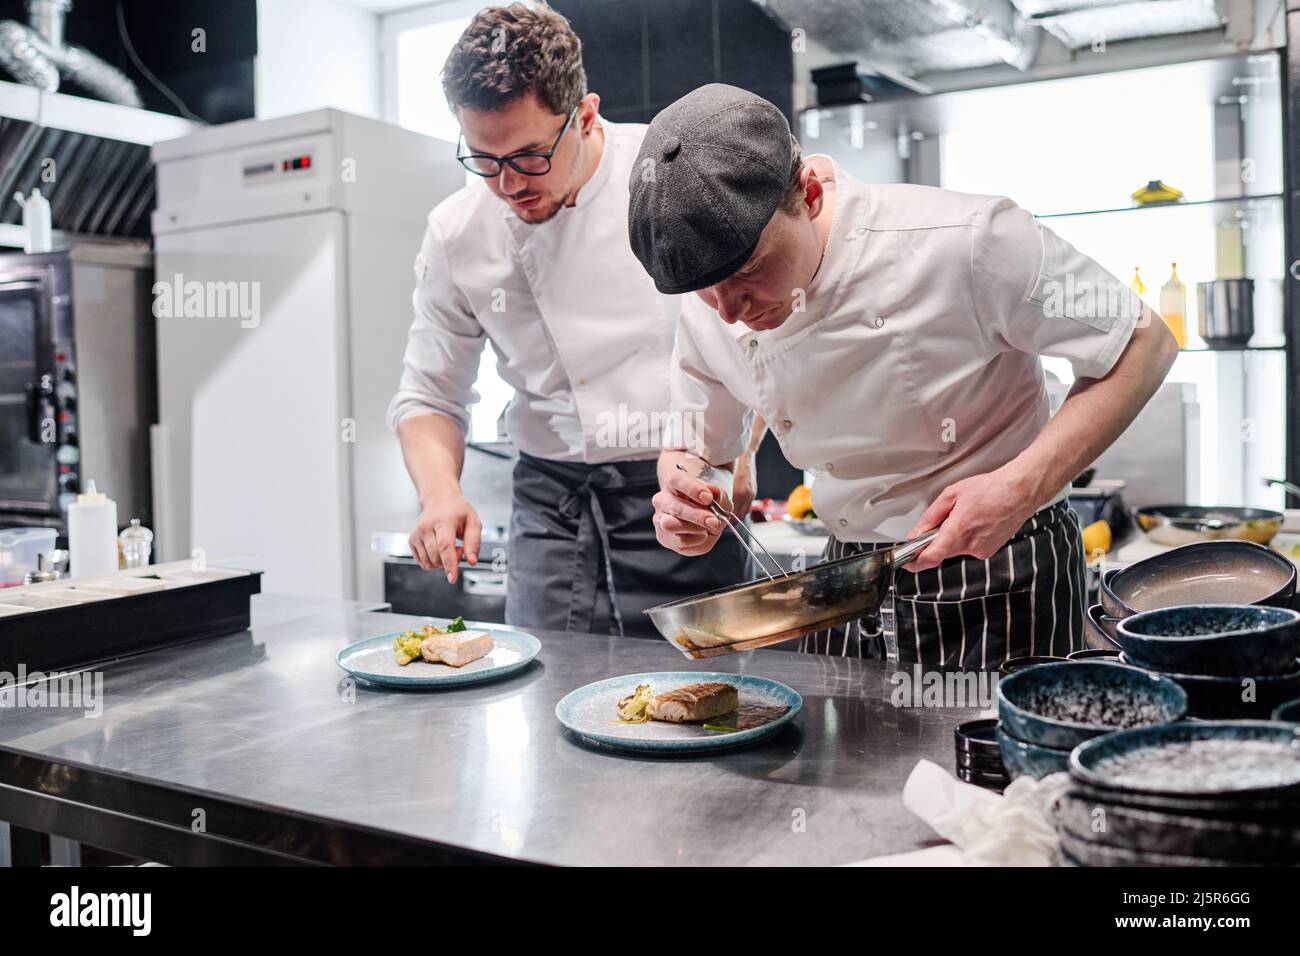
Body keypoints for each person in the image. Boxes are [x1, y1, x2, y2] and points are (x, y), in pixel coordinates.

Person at [628, 84, 1177, 667]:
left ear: (809, 194)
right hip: (842, 583)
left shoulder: (967, 240)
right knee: (836, 759)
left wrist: (1020, 488)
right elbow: (694, 449)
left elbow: (1144, 341)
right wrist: (687, 494)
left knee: (1000, 758)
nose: (729, 310)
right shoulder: (712, 299)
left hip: (1001, 572)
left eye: (750, 273)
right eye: (703, 291)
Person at [387, 7, 752, 638]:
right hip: (549, 508)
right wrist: (440, 493)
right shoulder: (456, 232)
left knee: (707, 702)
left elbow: (755, 334)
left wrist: (739, 454)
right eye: (483, 159)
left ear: (585, 116)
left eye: (529, 156)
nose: (506, 184)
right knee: (544, 696)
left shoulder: (666, 177)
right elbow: (429, 394)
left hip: (681, 492)